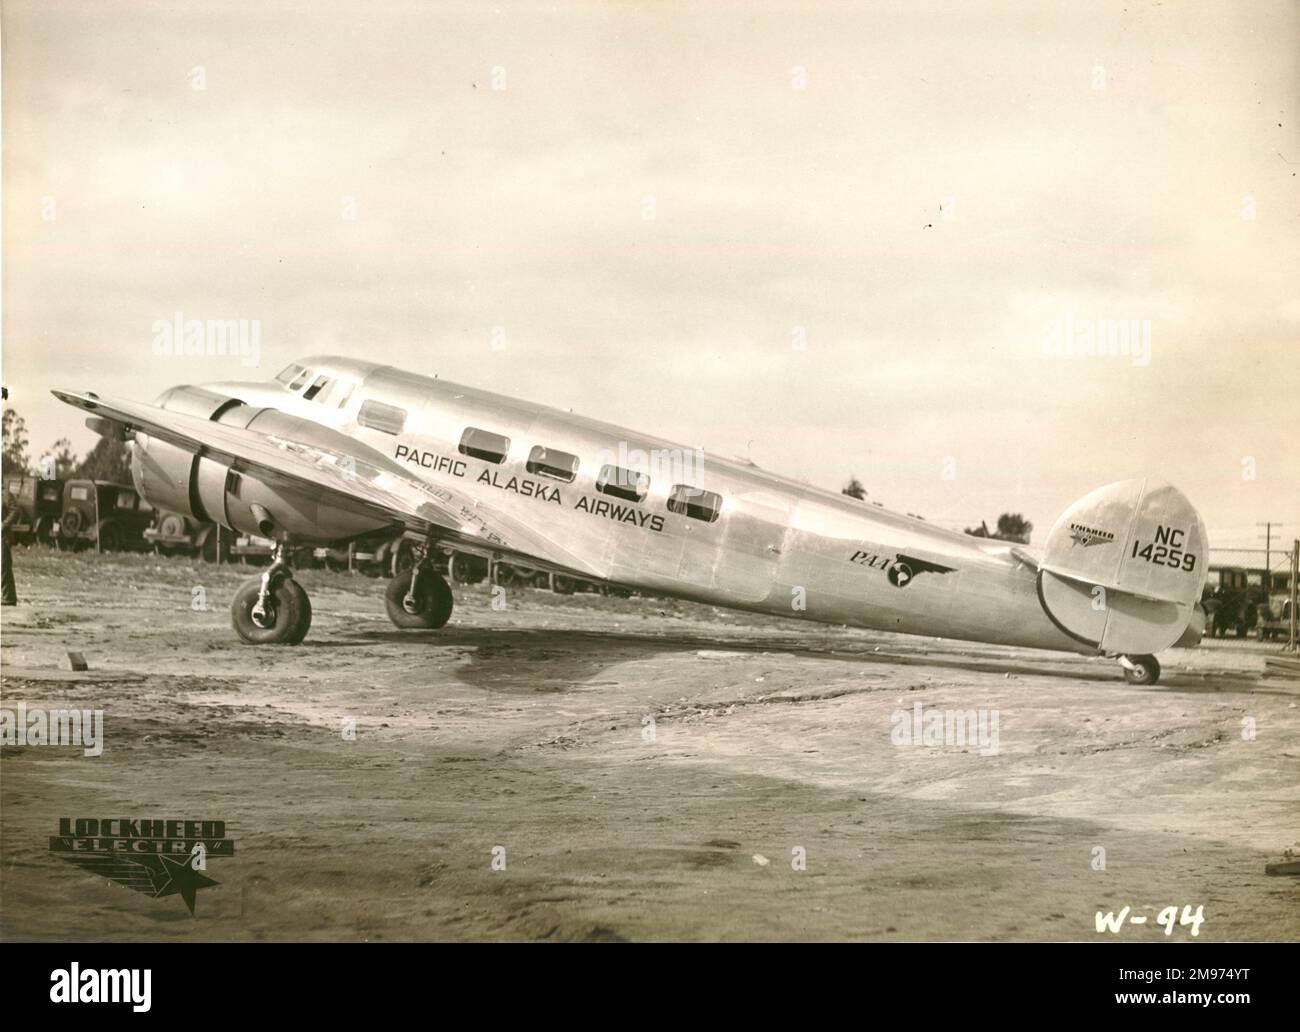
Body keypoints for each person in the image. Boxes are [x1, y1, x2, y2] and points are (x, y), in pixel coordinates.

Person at [2, 482, 19, 605]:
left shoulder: (6, 495)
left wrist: (2, 525)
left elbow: (15, 512)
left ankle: (9, 597)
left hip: (3, 537)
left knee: (4, 567)